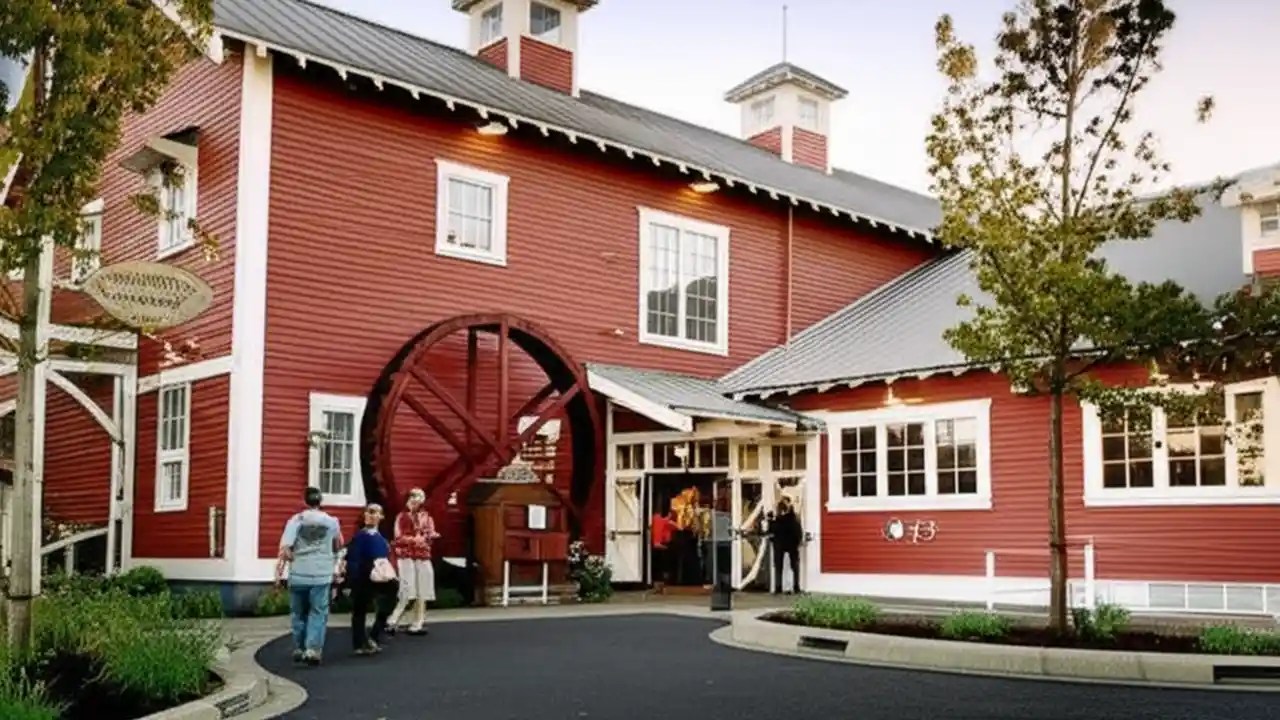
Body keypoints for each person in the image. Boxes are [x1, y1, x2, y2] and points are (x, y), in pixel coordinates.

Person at [275, 486, 343, 666]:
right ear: (320, 501)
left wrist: (281, 570)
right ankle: (312, 648)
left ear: (305, 500)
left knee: (298, 612)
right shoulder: (332, 522)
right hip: (321, 573)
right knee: (318, 612)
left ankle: (299, 647)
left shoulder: (296, 521)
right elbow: (338, 545)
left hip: (299, 574)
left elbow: (286, 550)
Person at [344, 503, 399, 656]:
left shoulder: (381, 538)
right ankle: (359, 643)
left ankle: (374, 635)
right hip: (363, 575)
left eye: (375, 512)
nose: (372, 515)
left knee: (390, 601)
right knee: (359, 611)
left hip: (381, 575)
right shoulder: (360, 537)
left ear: (381, 516)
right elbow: (352, 560)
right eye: (369, 512)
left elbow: (387, 557)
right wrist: (350, 582)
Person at [387, 487, 440, 635]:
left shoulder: (427, 518)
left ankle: (418, 622)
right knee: (407, 588)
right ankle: (393, 620)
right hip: (407, 556)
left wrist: (428, 537)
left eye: (419, 498)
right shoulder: (402, 517)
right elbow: (398, 538)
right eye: (413, 498)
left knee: (423, 590)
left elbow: (430, 534)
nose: (416, 501)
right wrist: (414, 540)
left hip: (422, 556)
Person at [768, 496, 803, 595]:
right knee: (791, 566)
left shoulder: (778, 519)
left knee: (784, 566)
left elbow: (772, 531)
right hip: (788, 542)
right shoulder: (792, 517)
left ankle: (782, 587)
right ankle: (793, 587)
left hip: (783, 542)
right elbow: (797, 529)